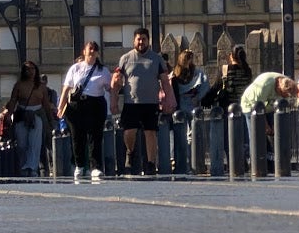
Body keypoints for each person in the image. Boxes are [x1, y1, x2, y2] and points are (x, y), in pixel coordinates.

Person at [112, 27, 175, 176]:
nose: (141, 42)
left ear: (148, 41)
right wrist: (113, 101)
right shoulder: (125, 59)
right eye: (138, 39)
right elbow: (115, 81)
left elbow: (165, 82)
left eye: (144, 39)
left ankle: (151, 163)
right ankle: (130, 152)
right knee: (129, 132)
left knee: (150, 132)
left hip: (150, 102)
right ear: (134, 41)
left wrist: (170, 100)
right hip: (131, 103)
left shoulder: (157, 59)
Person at [58, 40, 113, 180]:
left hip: (96, 104)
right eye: (90, 48)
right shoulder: (76, 68)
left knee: (95, 136)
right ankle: (79, 165)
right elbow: (67, 87)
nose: (92, 51)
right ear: (84, 51)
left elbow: (110, 88)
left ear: (97, 53)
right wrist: (61, 105)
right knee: (77, 136)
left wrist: (116, 87)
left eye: (95, 49)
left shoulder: (103, 70)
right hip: (77, 105)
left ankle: (95, 167)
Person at [4, 60, 49, 175]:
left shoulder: (41, 86)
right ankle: (24, 166)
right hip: (22, 114)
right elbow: (13, 101)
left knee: (35, 142)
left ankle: (32, 167)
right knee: (22, 143)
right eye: (28, 69)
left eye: (33, 69)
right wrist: (9, 115)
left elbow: (46, 104)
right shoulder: (19, 85)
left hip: (37, 115)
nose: (31, 72)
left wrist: (50, 119)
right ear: (24, 71)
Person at [168, 49, 209, 174]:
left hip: (184, 105)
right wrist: (197, 97)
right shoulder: (194, 73)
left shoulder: (177, 72)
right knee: (187, 134)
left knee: (185, 134)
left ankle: (185, 160)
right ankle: (190, 161)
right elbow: (205, 85)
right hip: (188, 104)